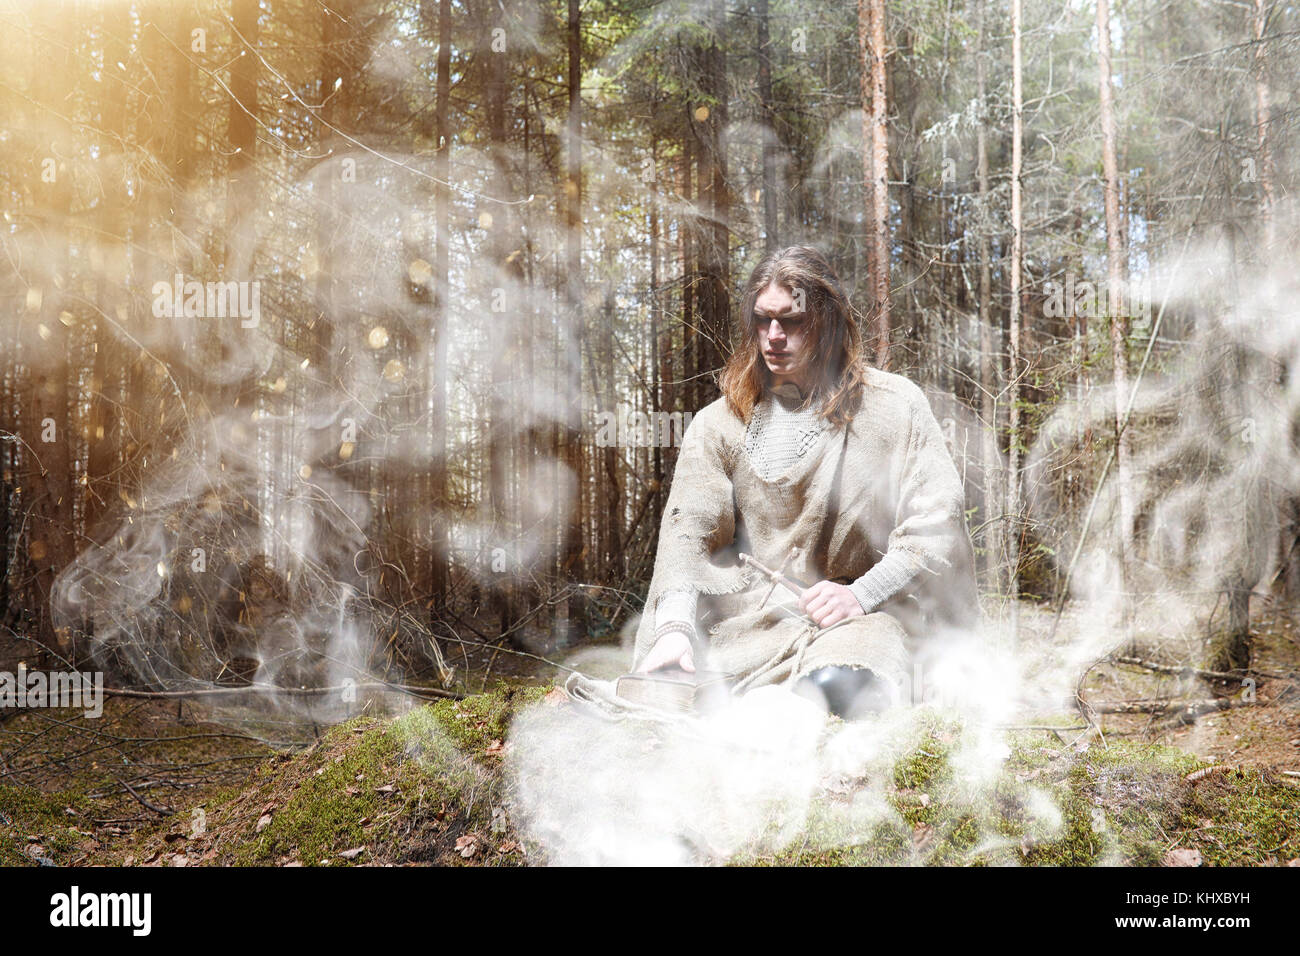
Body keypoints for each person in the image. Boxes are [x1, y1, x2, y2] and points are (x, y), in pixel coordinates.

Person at [631, 245, 979, 719]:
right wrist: (673, 628)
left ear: (828, 322)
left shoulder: (895, 405)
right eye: (762, 320)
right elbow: (686, 534)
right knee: (667, 703)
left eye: (792, 321)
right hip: (747, 628)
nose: (773, 336)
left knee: (838, 689)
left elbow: (936, 522)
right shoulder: (718, 425)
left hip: (861, 624)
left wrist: (860, 594)